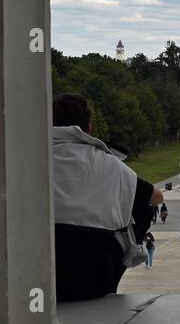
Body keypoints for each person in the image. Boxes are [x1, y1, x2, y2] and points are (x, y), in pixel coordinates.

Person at [51, 93, 162, 302]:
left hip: (39, 274)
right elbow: (156, 197)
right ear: (89, 128)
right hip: (94, 277)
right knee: (141, 204)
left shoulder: (26, 159)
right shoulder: (110, 164)